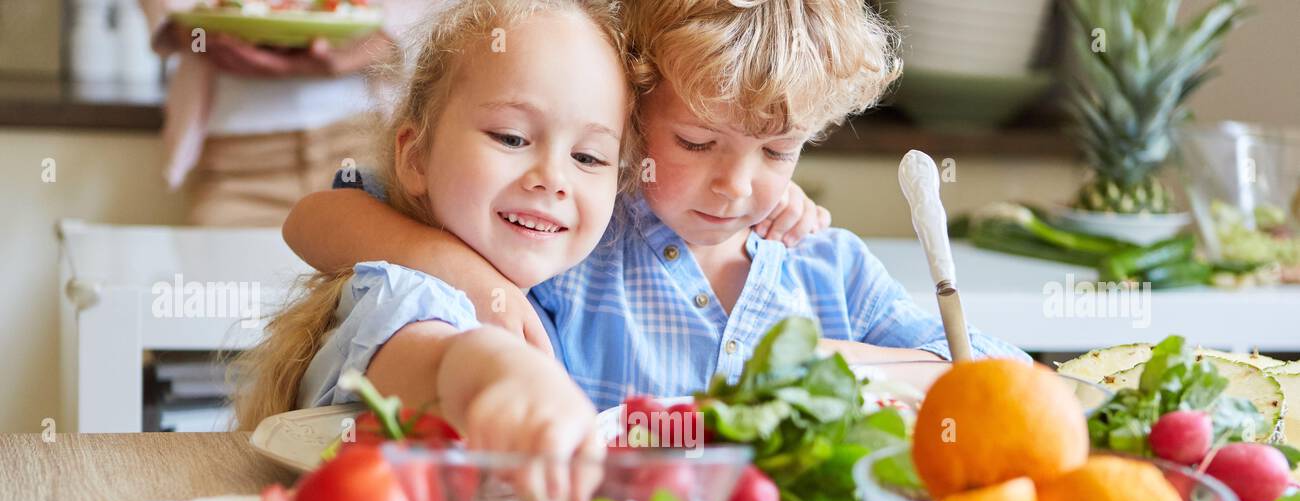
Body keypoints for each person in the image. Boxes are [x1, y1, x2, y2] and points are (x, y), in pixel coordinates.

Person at [281, 0, 1029, 410]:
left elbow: (1001, 374)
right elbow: (326, 217)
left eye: (777, 152)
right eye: (698, 143)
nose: (737, 186)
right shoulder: (573, 245)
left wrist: (847, 367)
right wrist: (467, 273)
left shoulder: (827, 270)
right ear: (631, 116)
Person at [232, 0, 632, 465]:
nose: (553, 178)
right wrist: (502, 376)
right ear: (416, 156)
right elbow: (440, 359)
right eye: (511, 138)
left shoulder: (561, 298)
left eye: (588, 158)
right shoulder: (402, 290)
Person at [139, 0, 429, 226]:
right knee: (229, 294)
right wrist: (188, 24)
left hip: (363, 147)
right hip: (237, 164)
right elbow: (176, 19)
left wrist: (385, 35)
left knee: (373, 293)